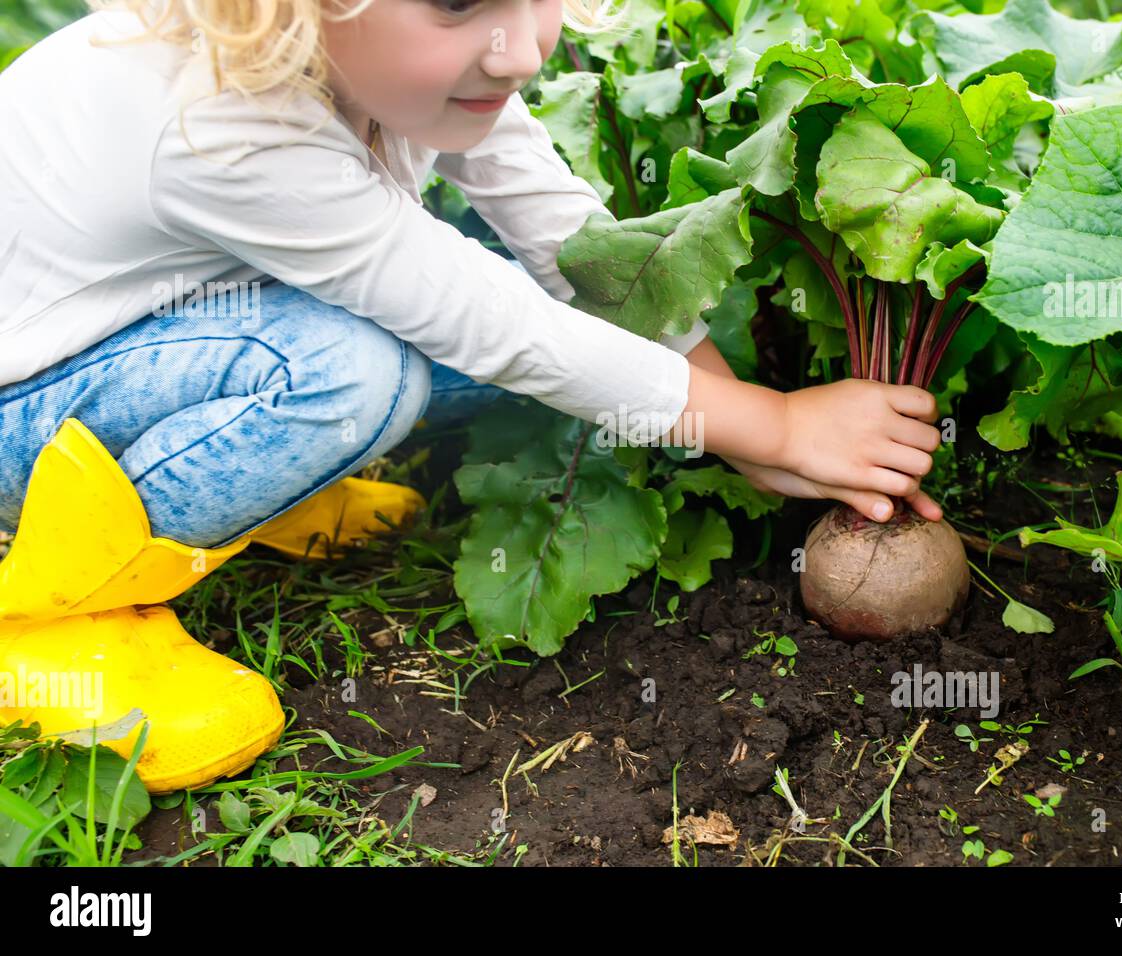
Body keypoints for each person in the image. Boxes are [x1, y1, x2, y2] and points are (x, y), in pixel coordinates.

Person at [0, 0, 942, 792]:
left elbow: (559, 234)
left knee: (477, 324)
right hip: (21, 400)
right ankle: (48, 617)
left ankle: (248, 470)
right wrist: (774, 419)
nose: (525, 46)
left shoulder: (376, 62)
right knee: (356, 374)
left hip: (134, 338)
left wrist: (734, 419)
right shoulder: (213, 122)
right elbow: (494, 326)